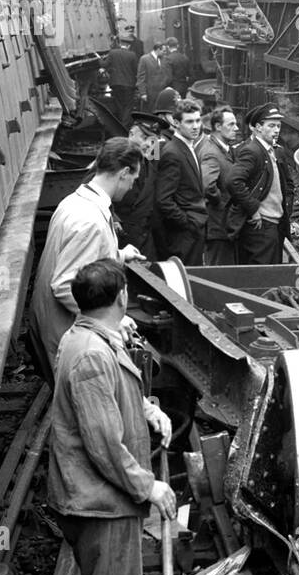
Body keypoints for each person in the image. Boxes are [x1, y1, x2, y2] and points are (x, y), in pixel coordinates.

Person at [49, 258, 177, 575]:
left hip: (104, 500)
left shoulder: (89, 341)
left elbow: (111, 402)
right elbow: (103, 444)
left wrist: (146, 409)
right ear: (121, 297)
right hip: (100, 502)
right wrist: (150, 486)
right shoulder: (90, 355)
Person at [28, 138, 144, 373]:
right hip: (66, 333)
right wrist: (112, 319)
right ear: (123, 173)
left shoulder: (75, 202)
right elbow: (65, 284)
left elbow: (83, 259)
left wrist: (118, 255)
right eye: (133, 178)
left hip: (51, 324)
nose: (132, 185)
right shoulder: (90, 221)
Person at [230, 102, 295, 265]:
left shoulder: (273, 150)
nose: (276, 130)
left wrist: (286, 211)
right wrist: (254, 209)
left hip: (274, 225)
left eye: (278, 126)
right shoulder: (252, 151)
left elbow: (287, 185)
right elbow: (233, 180)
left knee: (272, 272)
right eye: (271, 126)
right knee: (264, 275)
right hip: (261, 228)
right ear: (258, 127)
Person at [155, 99, 208, 263]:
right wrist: (187, 223)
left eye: (198, 120)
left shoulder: (187, 147)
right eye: (190, 121)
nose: (195, 126)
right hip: (183, 236)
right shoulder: (173, 152)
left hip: (192, 231)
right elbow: (163, 199)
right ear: (176, 123)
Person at [113, 113, 168, 260]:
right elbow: (92, 188)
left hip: (145, 241)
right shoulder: (115, 158)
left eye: (152, 141)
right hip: (120, 241)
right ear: (131, 134)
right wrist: (113, 218)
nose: (148, 144)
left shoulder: (150, 161)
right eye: (144, 138)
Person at [197, 106, 244, 265]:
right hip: (218, 225)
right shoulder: (211, 152)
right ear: (217, 127)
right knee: (218, 272)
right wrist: (222, 202)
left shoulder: (225, 149)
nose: (236, 128)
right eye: (231, 124)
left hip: (224, 225)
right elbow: (207, 185)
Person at [103, 37, 139, 128]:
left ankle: (120, 124)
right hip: (129, 84)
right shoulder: (132, 55)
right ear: (129, 45)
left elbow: (104, 64)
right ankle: (124, 125)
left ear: (120, 44)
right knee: (128, 105)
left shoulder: (113, 53)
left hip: (115, 84)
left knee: (119, 104)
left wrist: (98, 59)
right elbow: (136, 70)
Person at [135, 42, 168, 109]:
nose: (165, 53)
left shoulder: (163, 59)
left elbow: (165, 73)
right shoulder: (144, 59)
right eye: (164, 51)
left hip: (161, 93)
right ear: (158, 49)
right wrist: (143, 93)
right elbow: (141, 77)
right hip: (149, 93)